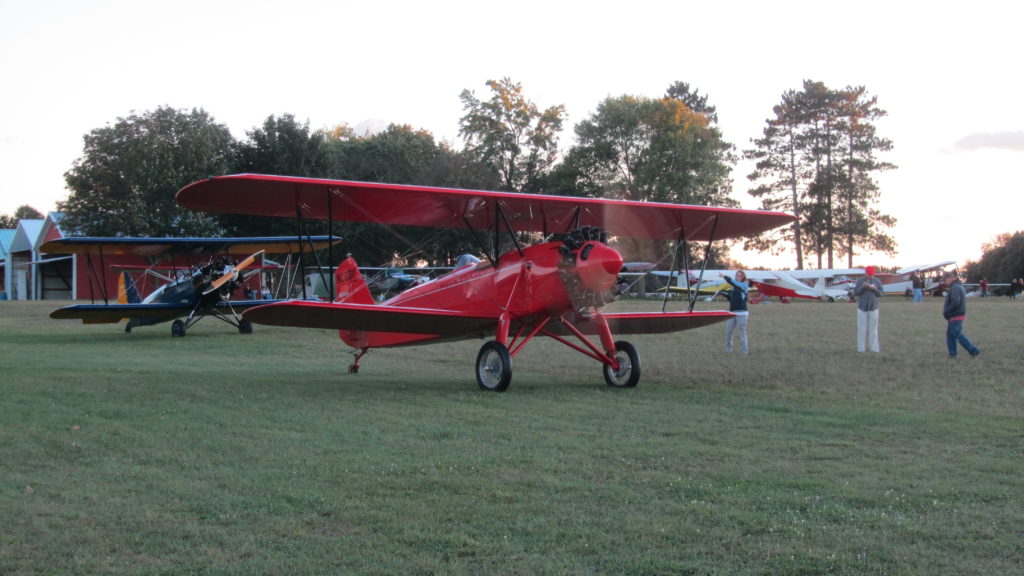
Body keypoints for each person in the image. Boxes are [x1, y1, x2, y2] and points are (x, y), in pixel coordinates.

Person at [943, 271, 981, 358]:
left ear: (950, 278)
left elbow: (955, 302)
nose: (944, 282)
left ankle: (973, 350)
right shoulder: (957, 286)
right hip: (955, 315)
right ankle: (952, 354)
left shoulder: (955, 287)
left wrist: (947, 311)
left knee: (957, 334)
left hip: (955, 315)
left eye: (944, 280)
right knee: (951, 335)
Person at [854, 266, 884, 353]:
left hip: (873, 308)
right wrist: (863, 287)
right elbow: (856, 292)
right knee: (861, 329)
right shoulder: (860, 281)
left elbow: (881, 293)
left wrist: (875, 290)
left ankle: (874, 348)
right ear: (865, 273)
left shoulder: (877, 281)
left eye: (872, 274)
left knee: (873, 330)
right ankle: (861, 349)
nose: (870, 276)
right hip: (862, 308)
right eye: (869, 274)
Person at [722, 271, 750, 355]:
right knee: (729, 332)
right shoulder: (734, 287)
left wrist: (725, 277)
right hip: (732, 312)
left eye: (739, 276)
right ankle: (728, 350)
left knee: (742, 332)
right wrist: (726, 295)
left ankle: (744, 352)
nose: (737, 277)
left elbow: (736, 284)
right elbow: (732, 298)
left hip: (742, 313)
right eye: (736, 276)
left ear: (743, 277)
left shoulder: (744, 286)